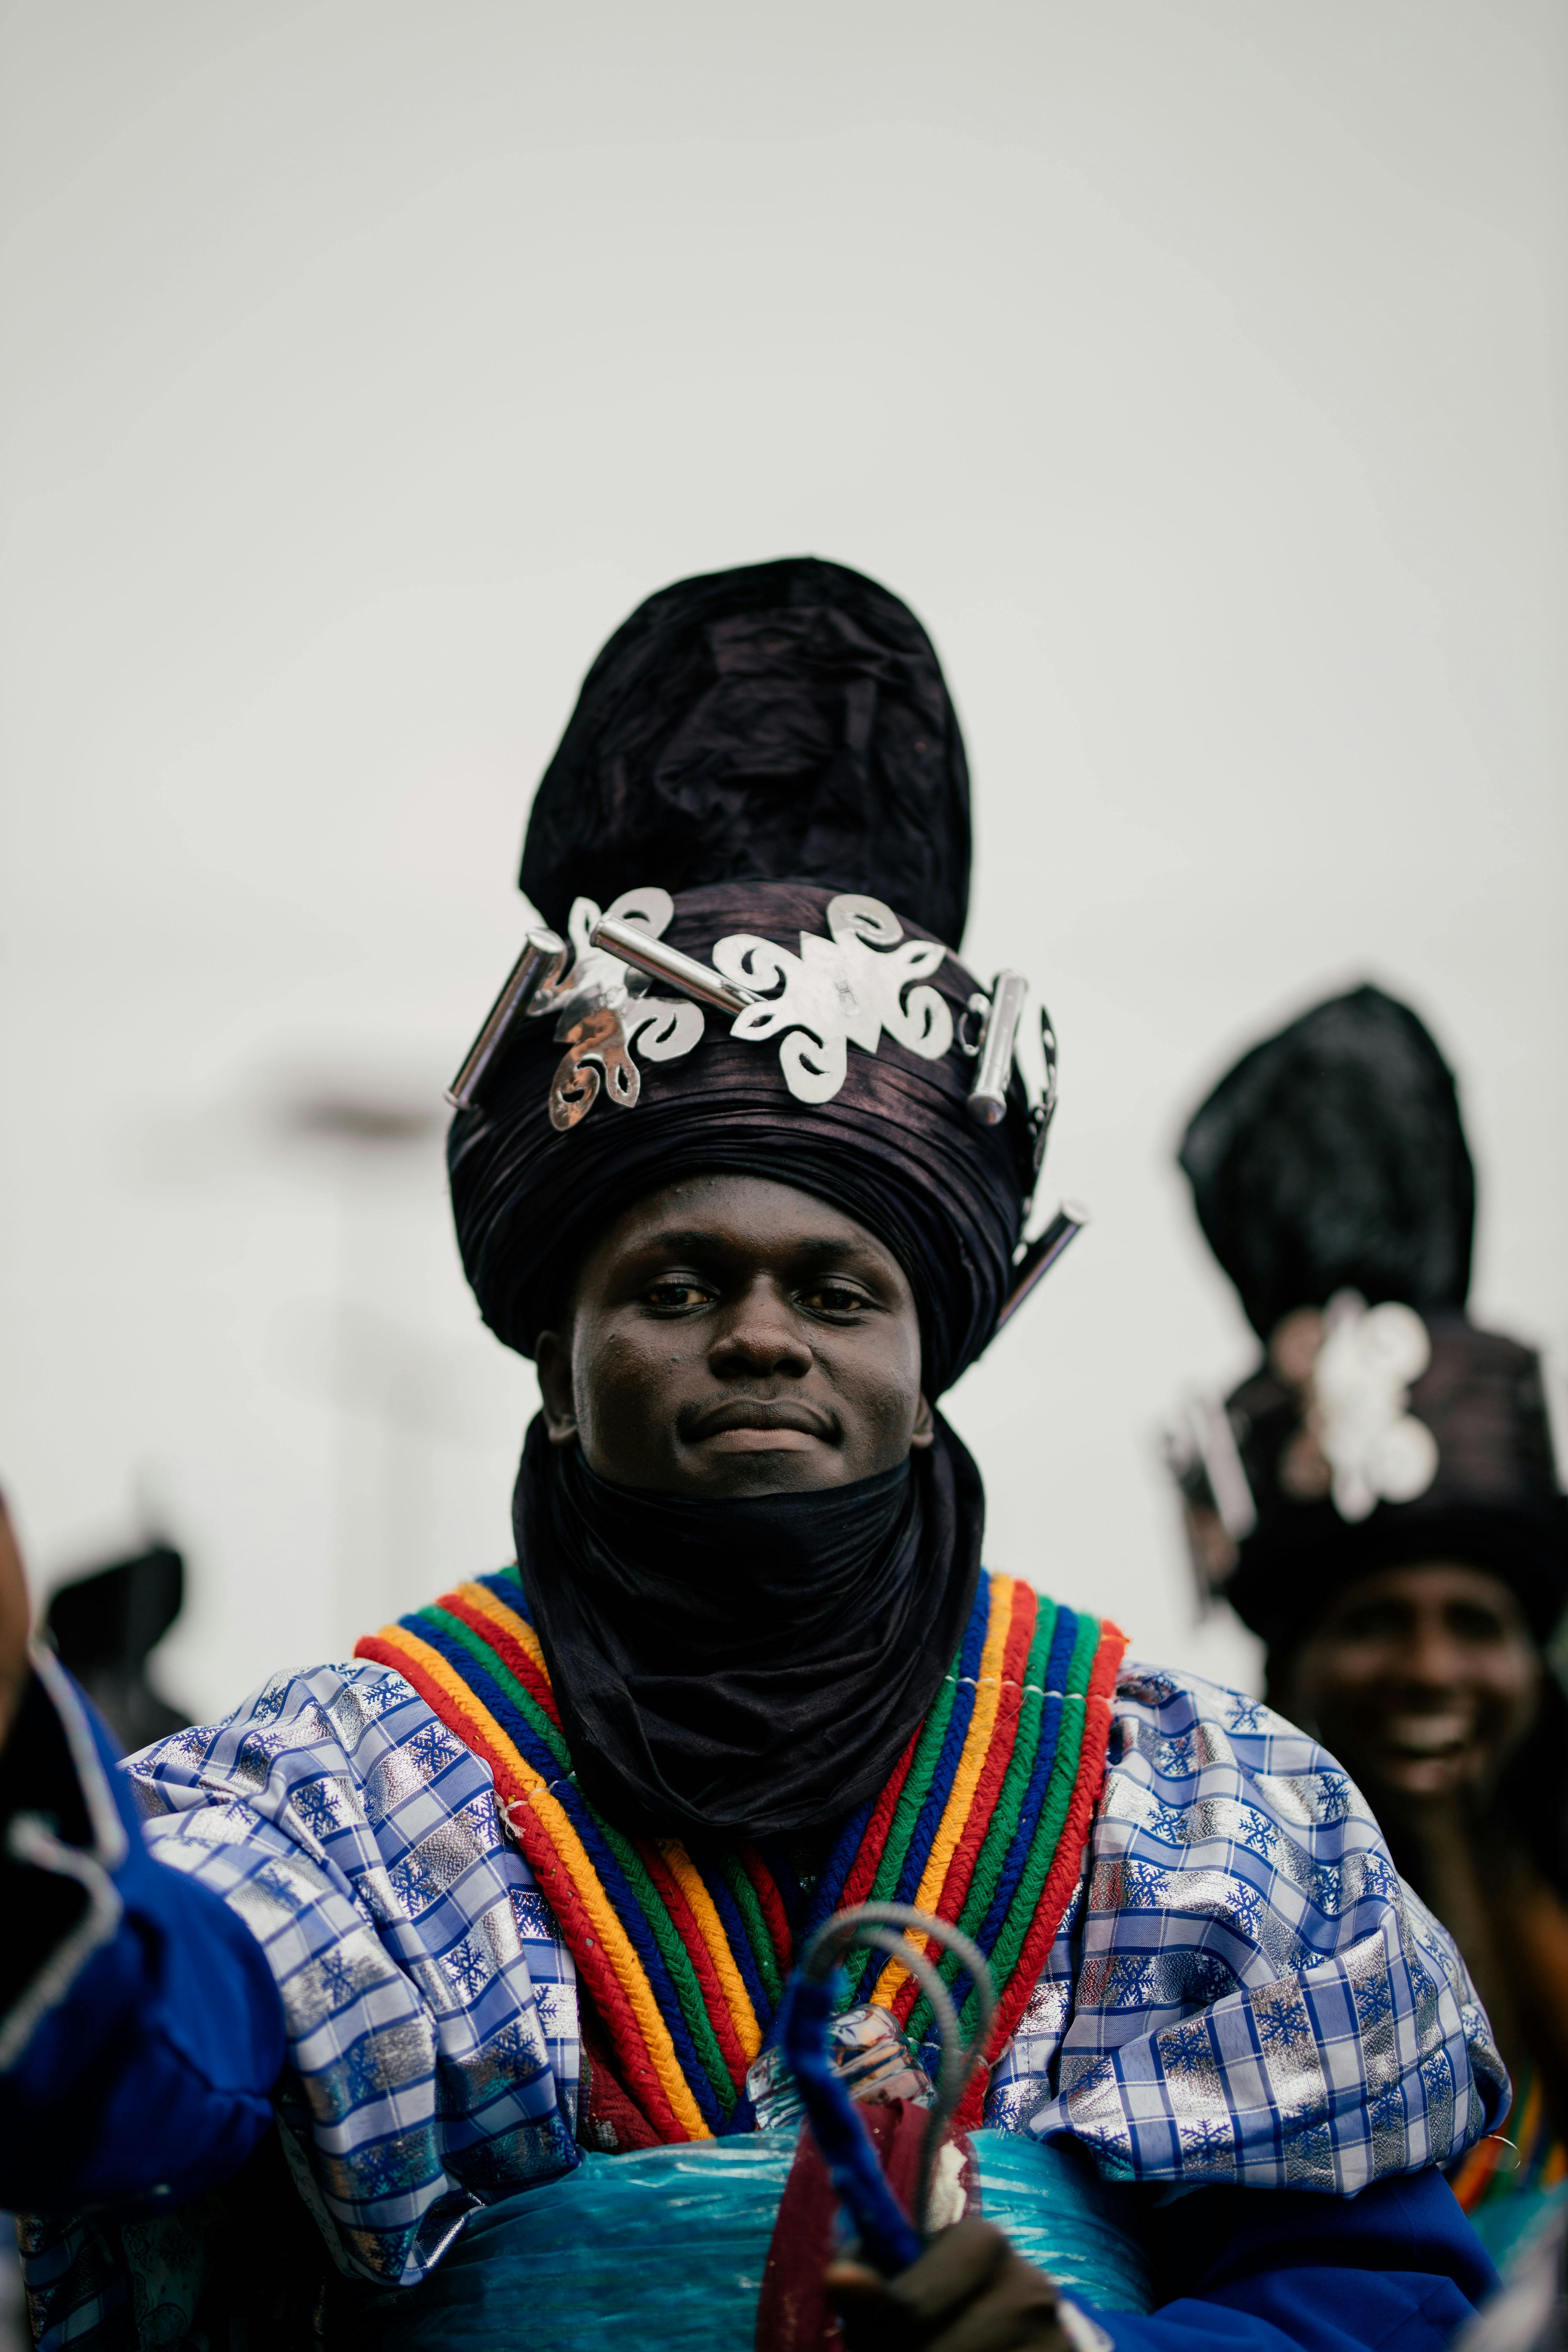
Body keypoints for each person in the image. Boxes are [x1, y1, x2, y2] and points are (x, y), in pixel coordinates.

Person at [2, 561, 1506, 2351]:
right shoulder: (356, 1798)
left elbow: (1380, 2290)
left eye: (839, 1289)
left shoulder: (1186, 1817)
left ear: (930, 1357)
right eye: (678, 1281)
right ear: (557, 1366)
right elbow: (127, 2060)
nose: (763, 1335)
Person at [1173, 983, 1568, 2268]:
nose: (1431, 1669)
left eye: (1477, 1623)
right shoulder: (1190, 1947)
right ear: (1288, 1667)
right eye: (1375, 1622)